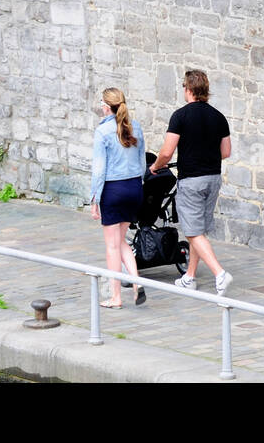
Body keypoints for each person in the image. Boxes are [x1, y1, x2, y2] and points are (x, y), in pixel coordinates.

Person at [150, 69, 233, 295]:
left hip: (192, 180)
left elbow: (167, 152)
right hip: (213, 178)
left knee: (192, 231)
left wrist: (156, 166)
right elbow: (226, 152)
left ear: (188, 89)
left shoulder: (180, 116)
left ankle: (219, 273)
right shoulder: (219, 117)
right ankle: (190, 277)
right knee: (200, 230)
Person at [90, 87, 146, 308]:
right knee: (121, 241)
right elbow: (142, 163)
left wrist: (95, 200)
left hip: (113, 189)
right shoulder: (136, 127)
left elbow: (99, 170)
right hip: (134, 187)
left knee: (112, 246)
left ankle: (115, 296)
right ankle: (136, 283)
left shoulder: (103, 132)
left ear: (106, 106)